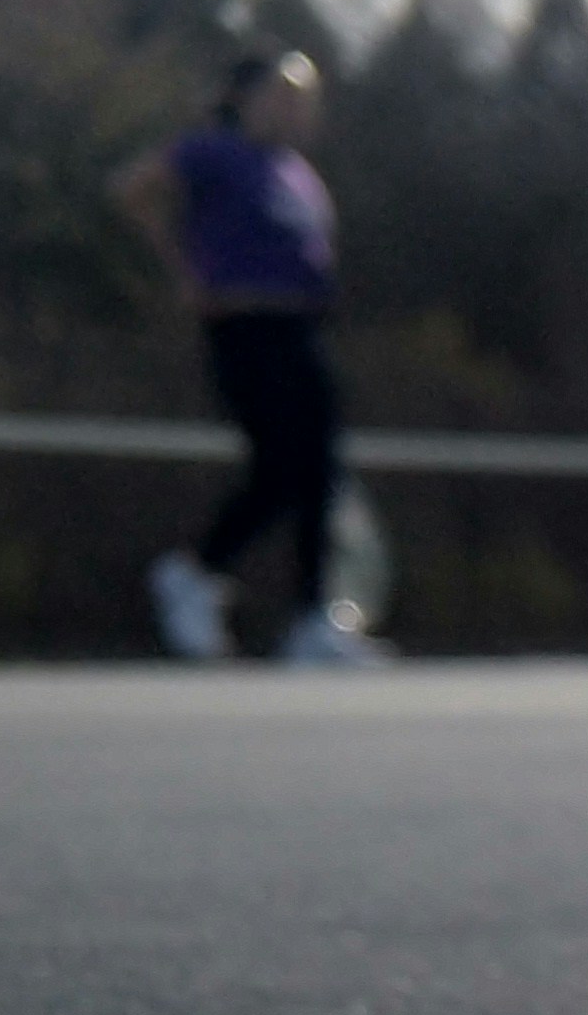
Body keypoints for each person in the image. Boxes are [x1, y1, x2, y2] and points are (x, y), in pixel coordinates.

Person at [110, 51, 383, 664]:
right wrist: (183, 270)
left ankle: (315, 618)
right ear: (246, 96)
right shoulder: (213, 151)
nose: (296, 106)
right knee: (283, 465)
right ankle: (196, 571)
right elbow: (133, 189)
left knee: (318, 470)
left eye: (306, 95)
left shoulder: (296, 172)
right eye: (283, 92)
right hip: (245, 326)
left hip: (302, 327)